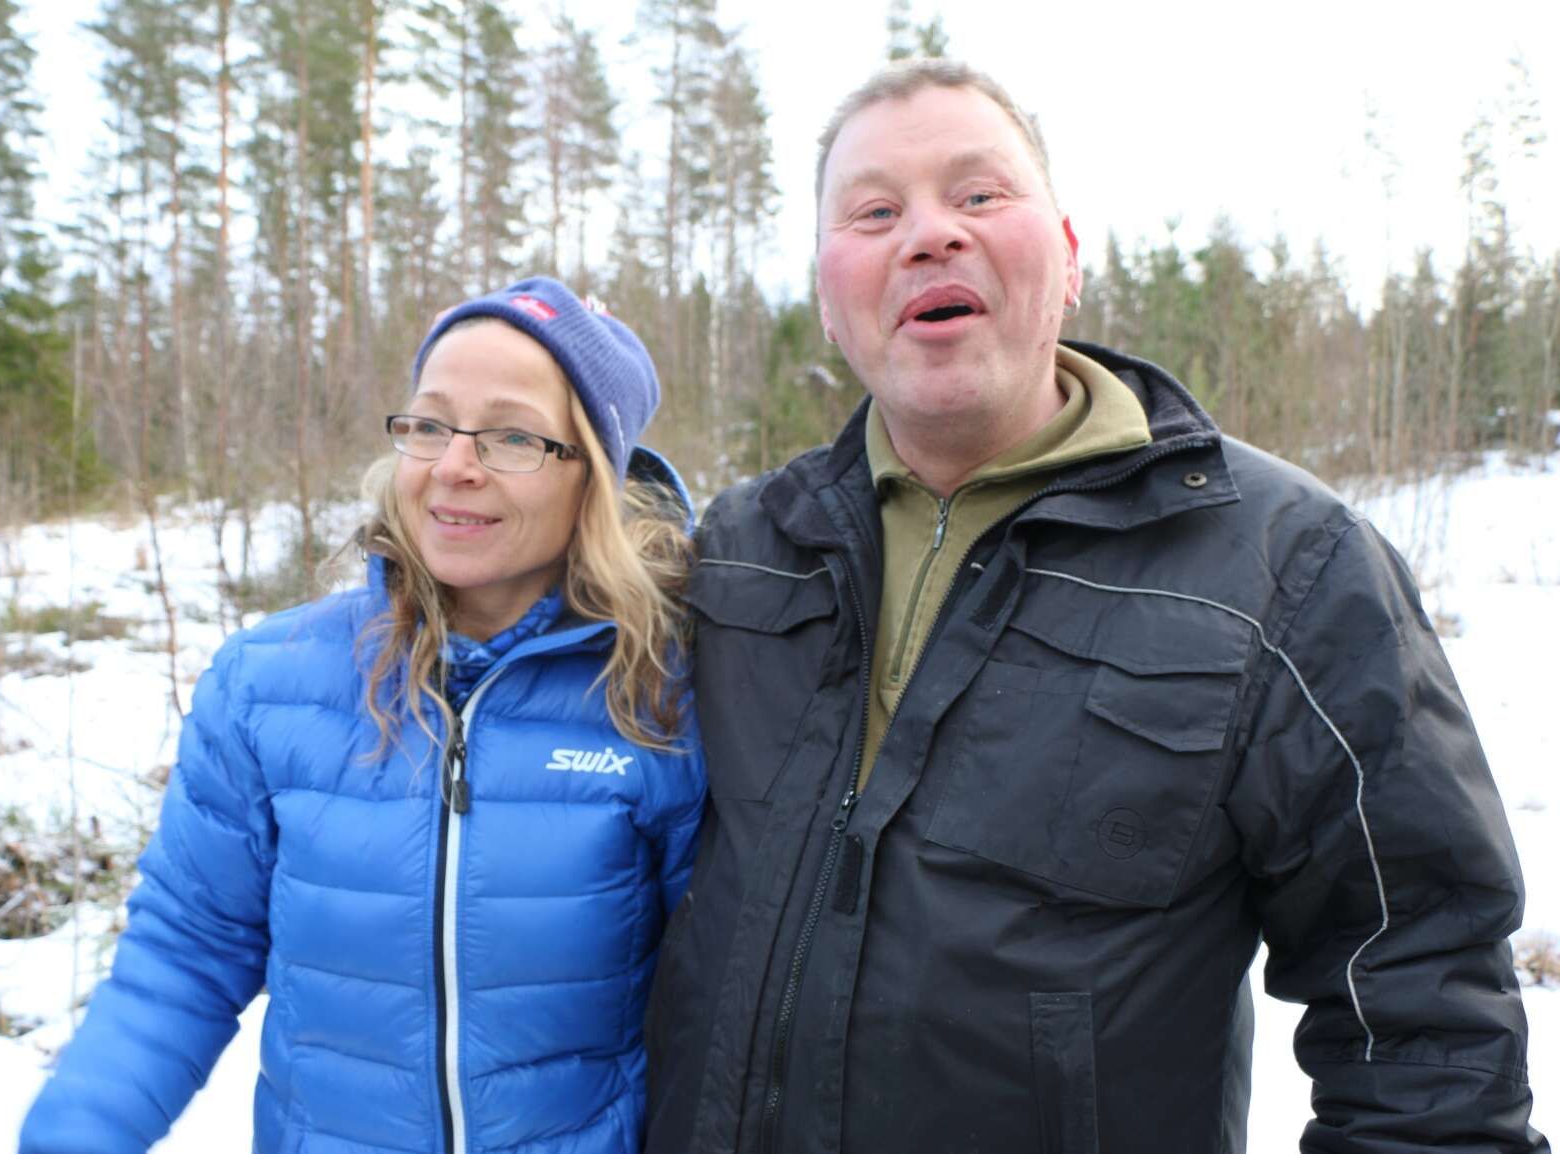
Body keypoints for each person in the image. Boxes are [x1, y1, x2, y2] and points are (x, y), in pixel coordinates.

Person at [645, 59, 1546, 1154]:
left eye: (979, 196)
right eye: (875, 211)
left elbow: (1421, 1007)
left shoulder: (1287, 567)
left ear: (1068, 261)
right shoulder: (737, 555)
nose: (929, 234)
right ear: (828, 304)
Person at [21, 276, 706, 1154]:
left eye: (509, 436)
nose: (453, 465)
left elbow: (718, 1005)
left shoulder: (661, 697)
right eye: (429, 424)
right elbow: (186, 956)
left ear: (594, 478)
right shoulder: (268, 684)